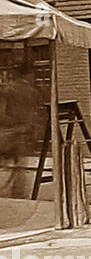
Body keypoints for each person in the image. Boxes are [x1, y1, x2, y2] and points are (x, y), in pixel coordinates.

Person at [0, 65, 43, 198]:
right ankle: (18, 194)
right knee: (20, 165)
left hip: (9, 131)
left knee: (11, 163)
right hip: (24, 132)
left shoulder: (7, 91)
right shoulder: (34, 92)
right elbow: (36, 113)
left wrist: (12, 122)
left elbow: (1, 114)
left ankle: (10, 192)